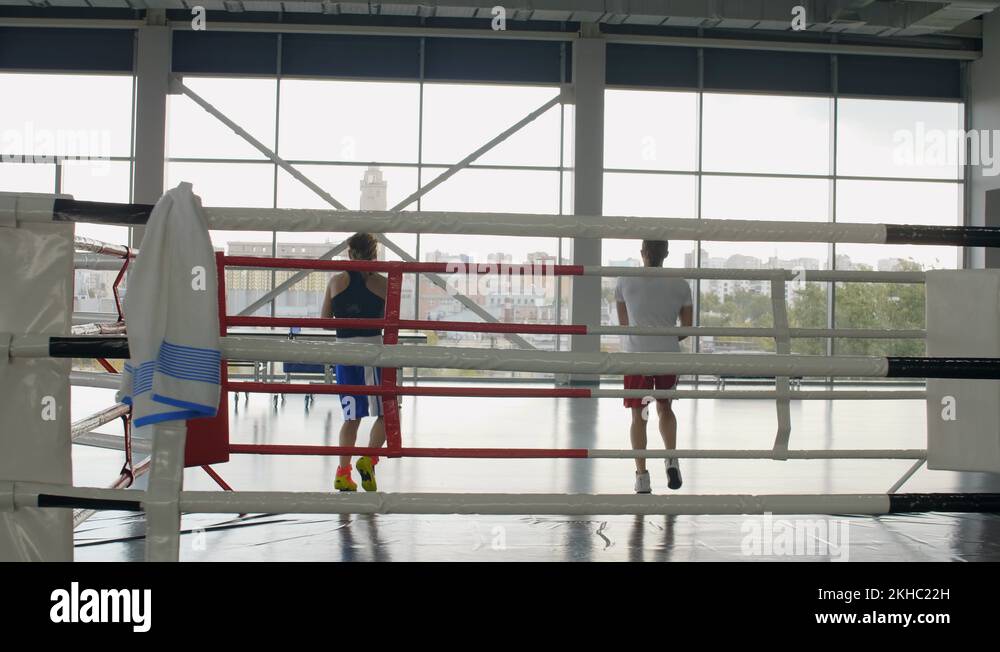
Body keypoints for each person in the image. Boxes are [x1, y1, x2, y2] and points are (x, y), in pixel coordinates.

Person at [614, 240, 693, 494]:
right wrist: (665, 337)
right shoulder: (681, 283)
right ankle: (671, 459)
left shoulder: (625, 280)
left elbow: (624, 325)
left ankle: (642, 477)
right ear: (666, 254)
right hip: (667, 355)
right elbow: (686, 329)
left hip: (637, 355)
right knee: (664, 407)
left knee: (639, 414)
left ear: (642, 253)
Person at [320, 232, 388, 492]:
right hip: (372, 352)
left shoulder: (335, 281)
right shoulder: (382, 283)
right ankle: (368, 460)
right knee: (386, 412)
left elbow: (326, 320)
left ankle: (343, 473)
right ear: (374, 254)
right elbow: (390, 321)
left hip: (344, 353)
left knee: (351, 417)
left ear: (349, 253)